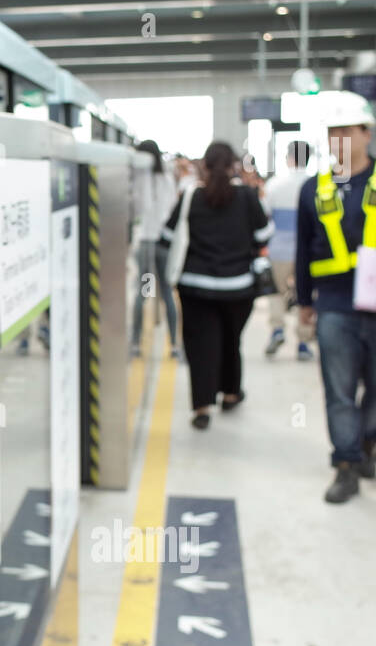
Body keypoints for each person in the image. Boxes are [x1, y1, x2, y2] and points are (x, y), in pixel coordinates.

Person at [296, 92, 376, 504]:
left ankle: (368, 436)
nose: (339, 140)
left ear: (368, 133)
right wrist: (305, 302)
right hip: (333, 304)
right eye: (333, 132)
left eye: (347, 130)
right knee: (339, 388)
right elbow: (303, 247)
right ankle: (346, 463)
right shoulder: (315, 188)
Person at [161, 141, 273, 429]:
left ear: (205, 166)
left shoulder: (191, 196)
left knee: (200, 347)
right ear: (234, 165)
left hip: (195, 286)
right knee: (230, 341)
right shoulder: (248, 196)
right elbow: (264, 234)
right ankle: (232, 393)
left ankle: (201, 408)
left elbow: (166, 235)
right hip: (238, 287)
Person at [263, 140, 316, 360]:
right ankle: (303, 342)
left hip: (279, 248)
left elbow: (265, 215)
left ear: (289, 157)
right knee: (305, 294)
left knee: (276, 291)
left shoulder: (274, 184)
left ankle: (277, 329)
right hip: (308, 250)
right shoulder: (315, 185)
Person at [130, 140, 179, 359]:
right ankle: (175, 344)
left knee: (144, 292)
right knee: (167, 292)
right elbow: (171, 209)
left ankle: (135, 342)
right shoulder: (168, 179)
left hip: (147, 243)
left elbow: (139, 208)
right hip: (165, 243)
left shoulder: (140, 179)